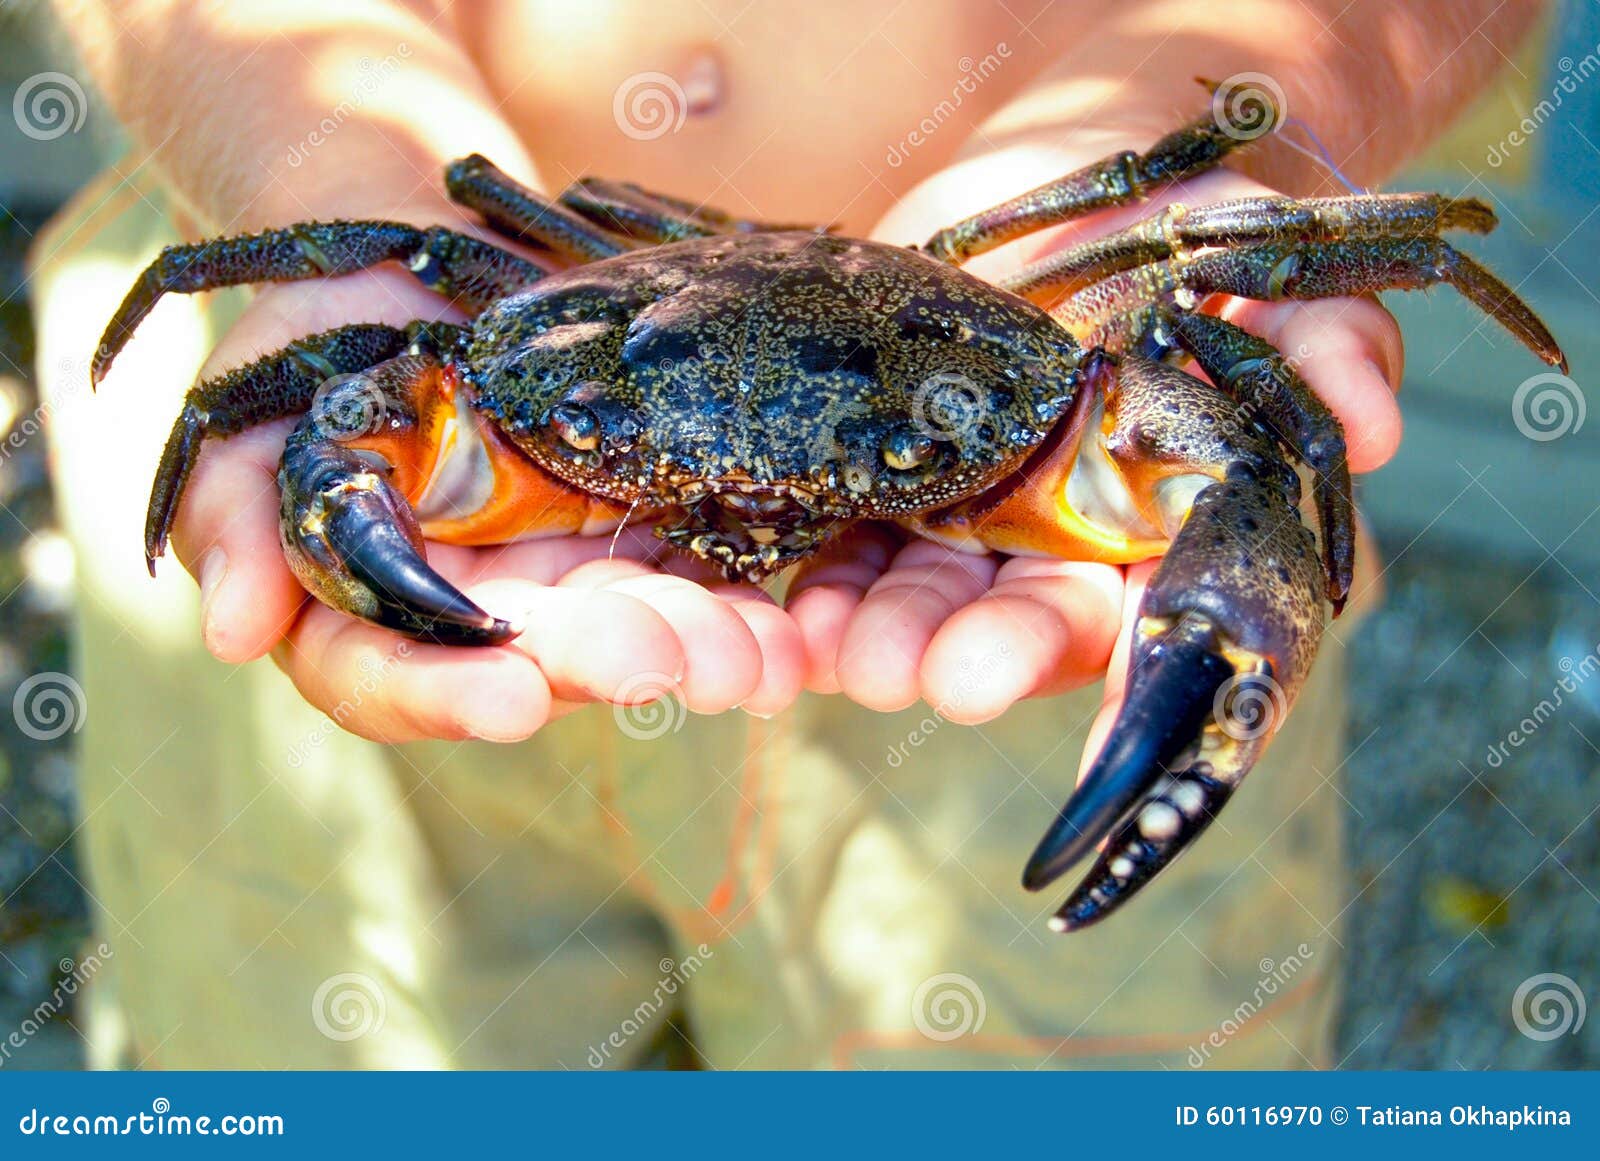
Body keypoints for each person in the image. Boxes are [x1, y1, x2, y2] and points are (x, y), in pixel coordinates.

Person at [32, 0, 1540, 1067]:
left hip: (1061, 674)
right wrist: (315, 167)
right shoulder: (444, 369)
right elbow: (371, 295)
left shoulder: (1087, 386)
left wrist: (1284, 83)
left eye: (904, 456)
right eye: (617, 435)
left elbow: (1243, 435)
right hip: (402, 489)